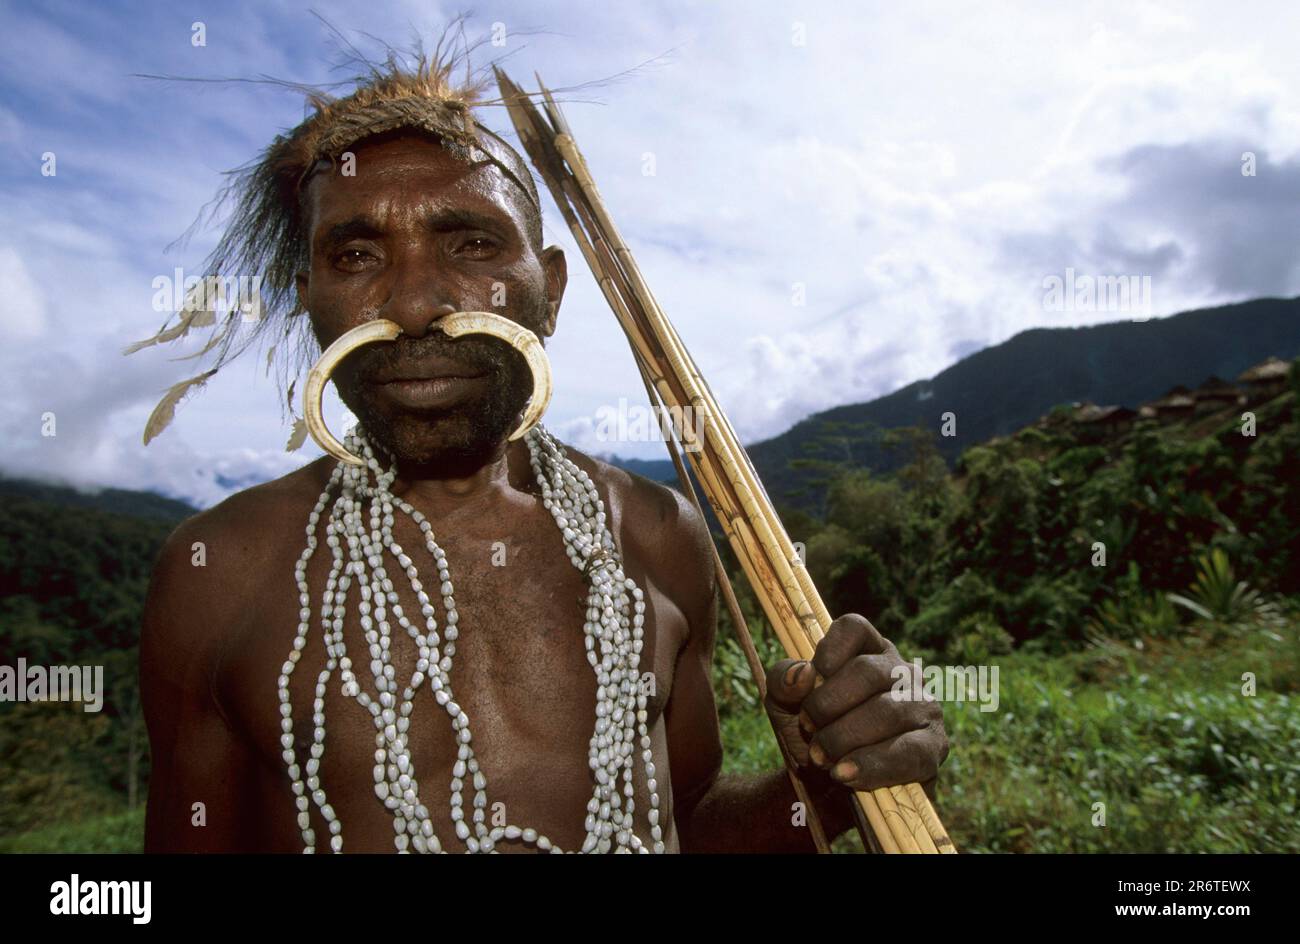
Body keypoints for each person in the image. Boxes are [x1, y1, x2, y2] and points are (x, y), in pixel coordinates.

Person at [137, 45, 947, 853]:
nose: (416, 303)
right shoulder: (221, 570)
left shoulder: (656, 536)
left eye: (471, 244)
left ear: (550, 290)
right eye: (356, 255)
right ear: (311, 302)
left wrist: (827, 787)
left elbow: (683, 827)